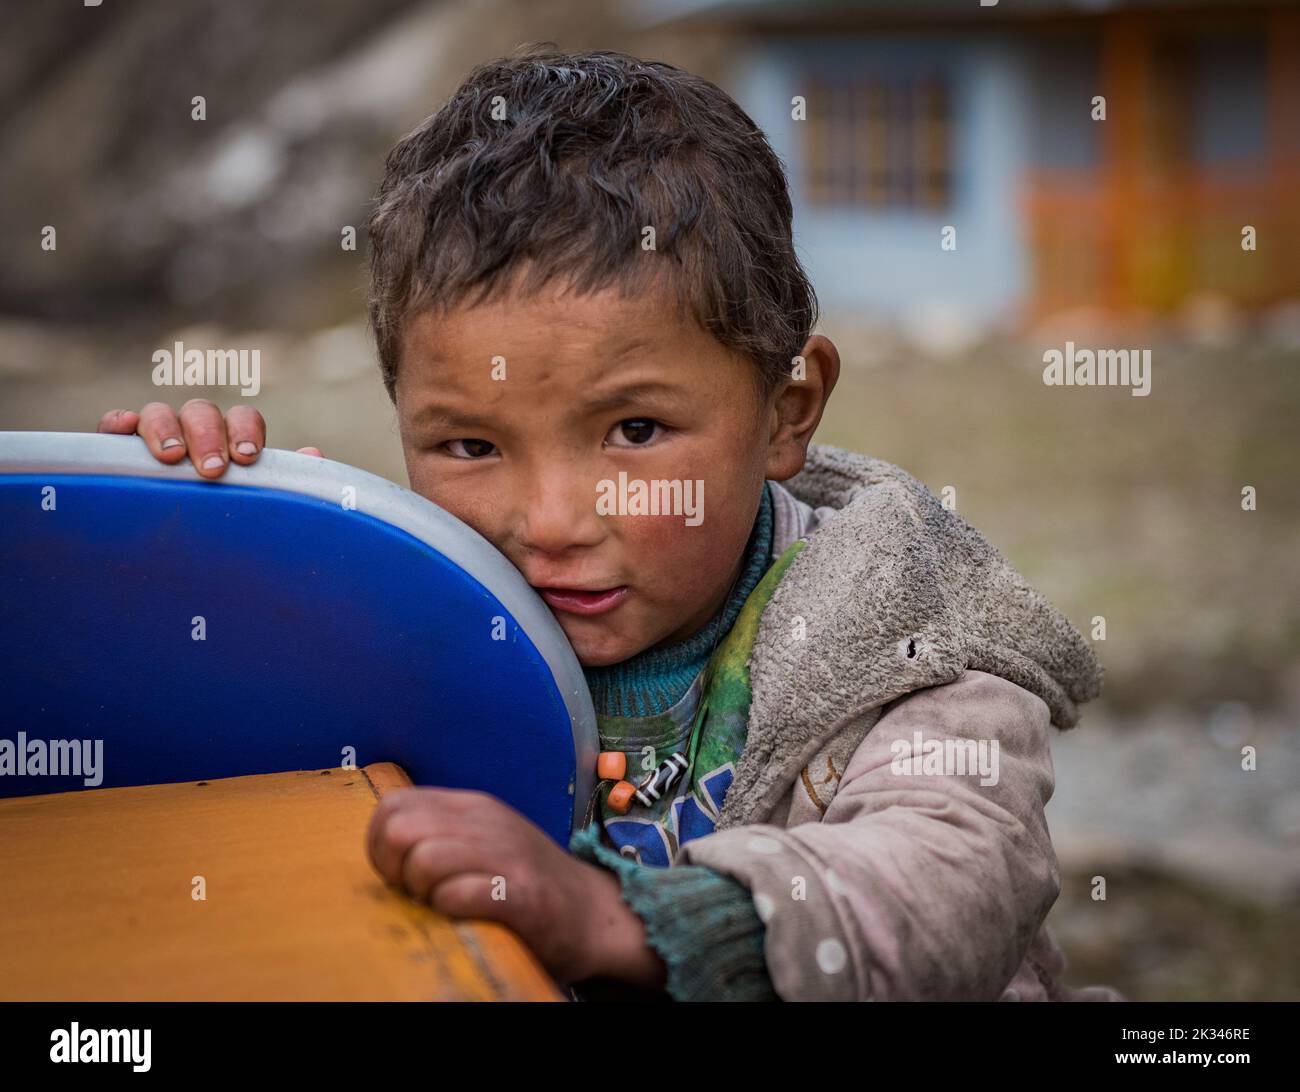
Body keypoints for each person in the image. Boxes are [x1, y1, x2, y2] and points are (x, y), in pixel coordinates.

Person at [96, 46, 1123, 1002]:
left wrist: (619, 917)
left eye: (634, 430)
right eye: (470, 446)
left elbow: (953, 876)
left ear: (785, 409)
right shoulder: (413, 600)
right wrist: (218, 559)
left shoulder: (907, 637)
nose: (549, 524)